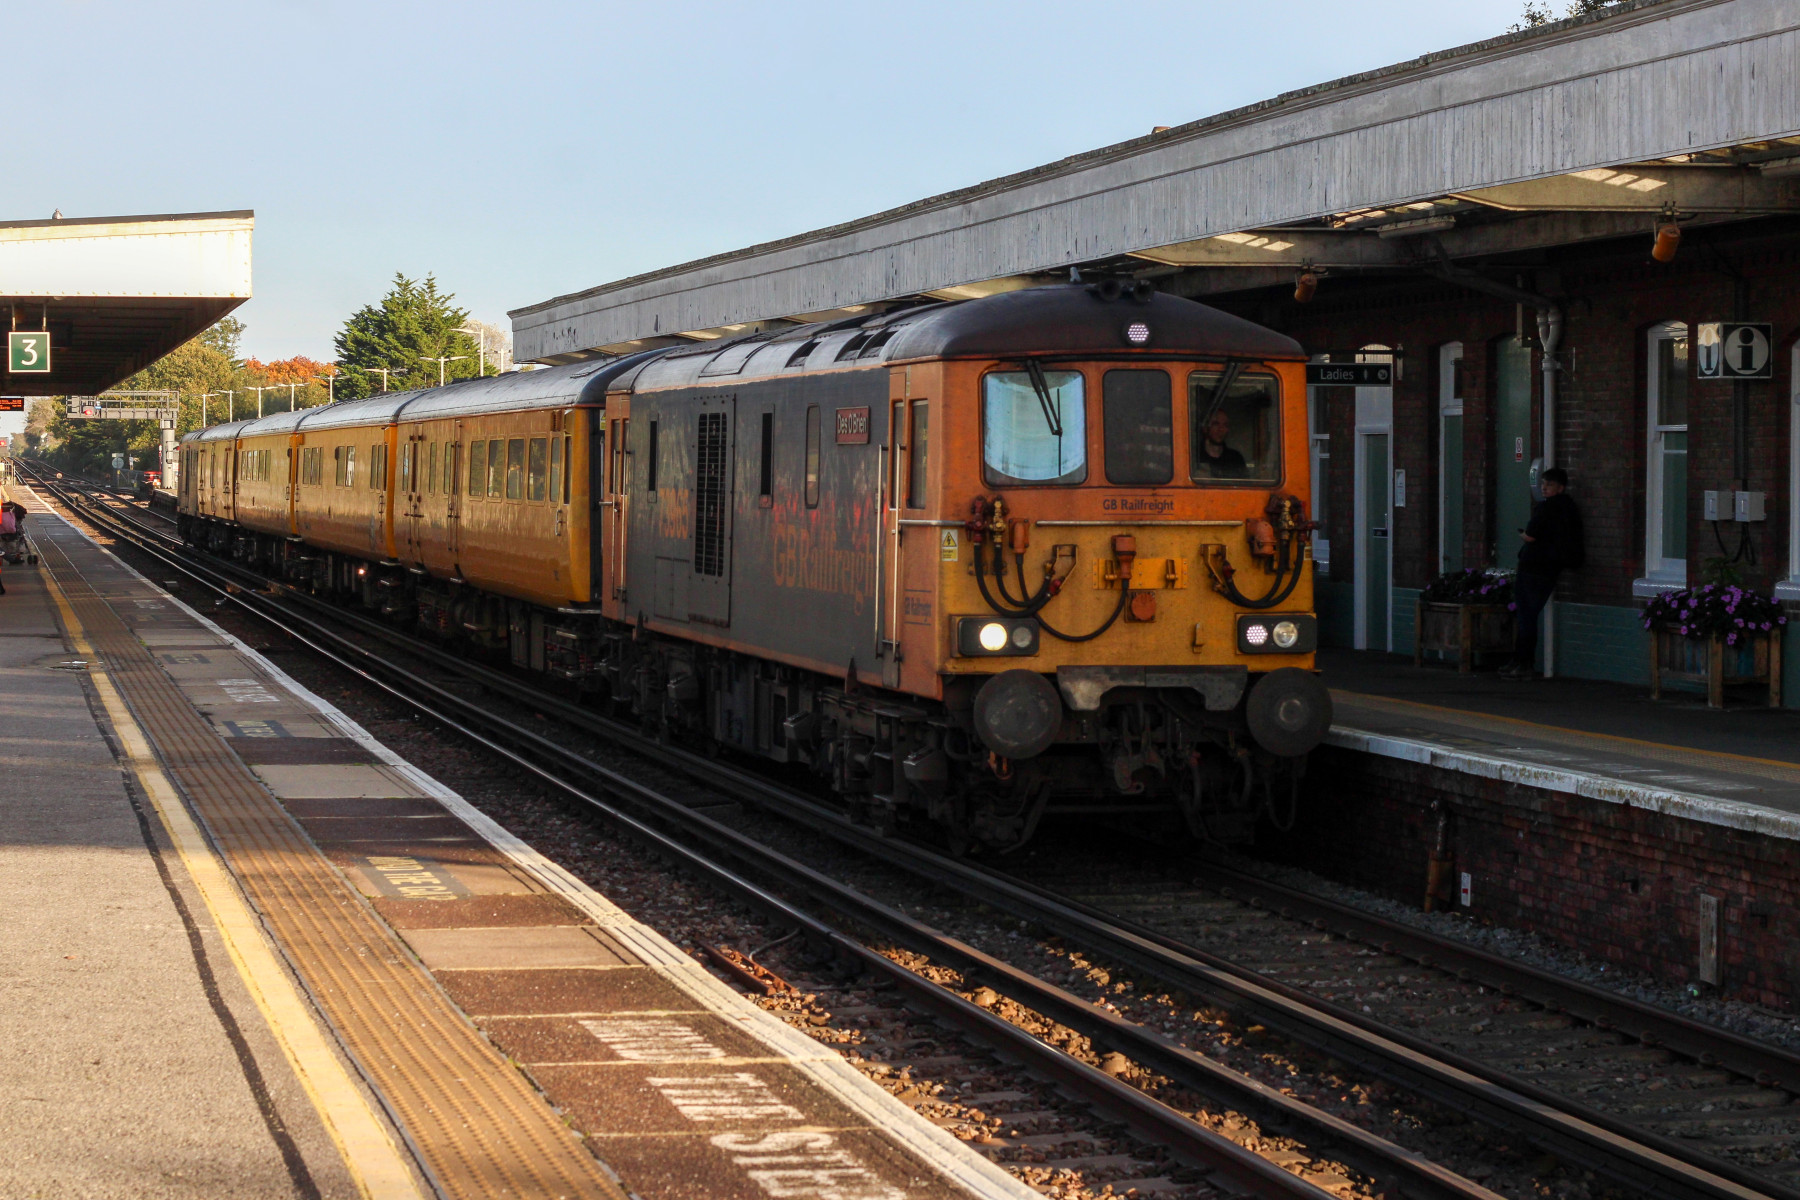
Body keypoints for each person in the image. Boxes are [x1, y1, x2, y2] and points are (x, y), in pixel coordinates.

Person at [1501, 467, 1584, 680]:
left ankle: (1522, 662)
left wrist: (1522, 534)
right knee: (1530, 614)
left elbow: (1530, 536)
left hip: (1533, 567)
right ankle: (1520, 661)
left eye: (1549, 485)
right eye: (1543, 484)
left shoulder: (1546, 508)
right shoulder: (1570, 509)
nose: (1544, 488)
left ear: (1560, 487)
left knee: (1525, 616)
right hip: (1551, 569)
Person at [1195, 409, 1248, 478]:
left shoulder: (1235, 459)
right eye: (1216, 424)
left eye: (1225, 425)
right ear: (1205, 428)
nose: (1221, 429)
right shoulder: (1195, 457)